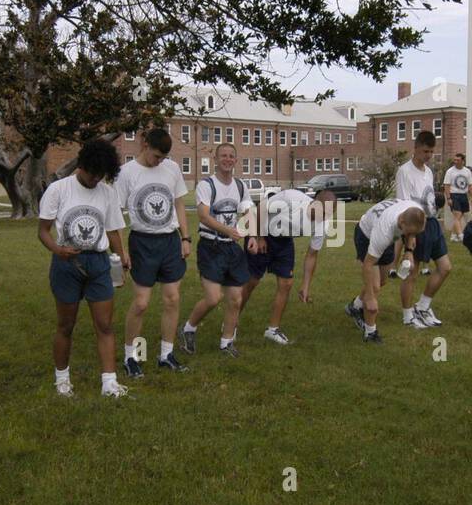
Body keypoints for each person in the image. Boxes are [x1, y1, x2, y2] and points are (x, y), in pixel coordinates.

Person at [37, 138, 130, 399]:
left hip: (99, 263)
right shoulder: (58, 190)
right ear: (82, 165)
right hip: (67, 263)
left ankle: (109, 383)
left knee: (105, 325)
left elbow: (112, 229)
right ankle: (62, 379)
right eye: (92, 174)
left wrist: (122, 256)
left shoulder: (107, 192)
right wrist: (58, 250)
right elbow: (42, 231)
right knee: (66, 325)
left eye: (101, 176)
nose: (95, 180)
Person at [117, 127, 190, 377]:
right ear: (144, 144)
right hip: (142, 243)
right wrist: (122, 251)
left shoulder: (172, 169)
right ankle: (131, 357)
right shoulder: (126, 173)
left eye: (162, 157)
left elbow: (179, 203)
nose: (159, 161)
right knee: (141, 303)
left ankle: (166, 354)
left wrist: (186, 237)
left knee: (172, 298)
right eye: (156, 156)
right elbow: (116, 215)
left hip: (169, 242)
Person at [181, 144, 254, 358]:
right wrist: (228, 231)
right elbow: (203, 216)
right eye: (223, 155)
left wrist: (253, 237)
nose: (228, 159)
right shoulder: (206, 185)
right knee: (213, 298)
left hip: (232, 248)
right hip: (211, 246)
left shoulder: (240, 186)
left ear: (236, 160)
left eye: (232, 156)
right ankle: (188, 328)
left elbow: (249, 210)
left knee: (235, 299)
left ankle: (226, 343)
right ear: (215, 159)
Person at [240, 187, 334, 344]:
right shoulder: (292, 198)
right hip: (261, 231)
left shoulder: (323, 224)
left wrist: (305, 285)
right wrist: (260, 237)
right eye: (323, 213)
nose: (324, 218)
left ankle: (272, 330)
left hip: (284, 241)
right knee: (252, 281)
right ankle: (231, 322)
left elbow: (312, 255)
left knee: (286, 283)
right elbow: (262, 208)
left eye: (328, 214)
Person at [345, 199, 426, 344]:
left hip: (388, 236)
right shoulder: (384, 231)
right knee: (374, 287)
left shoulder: (417, 212)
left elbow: (412, 233)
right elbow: (368, 265)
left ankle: (355, 306)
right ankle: (370, 332)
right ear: (401, 223)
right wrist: (369, 297)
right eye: (407, 232)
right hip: (366, 235)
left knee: (382, 281)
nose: (410, 235)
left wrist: (408, 251)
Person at [395, 131, 452, 329]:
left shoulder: (428, 172)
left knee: (445, 268)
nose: (428, 155)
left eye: (431, 152)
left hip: (432, 223)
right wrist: (409, 237)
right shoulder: (404, 171)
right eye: (425, 151)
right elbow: (403, 204)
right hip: (415, 226)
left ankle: (423, 306)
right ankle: (408, 315)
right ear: (416, 148)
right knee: (412, 272)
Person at [442, 152, 472, 241]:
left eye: (458, 160)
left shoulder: (467, 171)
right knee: (457, 215)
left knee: (459, 216)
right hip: (454, 195)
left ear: (463, 161)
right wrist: (448, 198)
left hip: (463, 195)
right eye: (455, 160)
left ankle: (453, 235)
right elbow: (446, 185)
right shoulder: (450, 171)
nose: (455, 161)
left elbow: (470, 185)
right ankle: (461, 236)